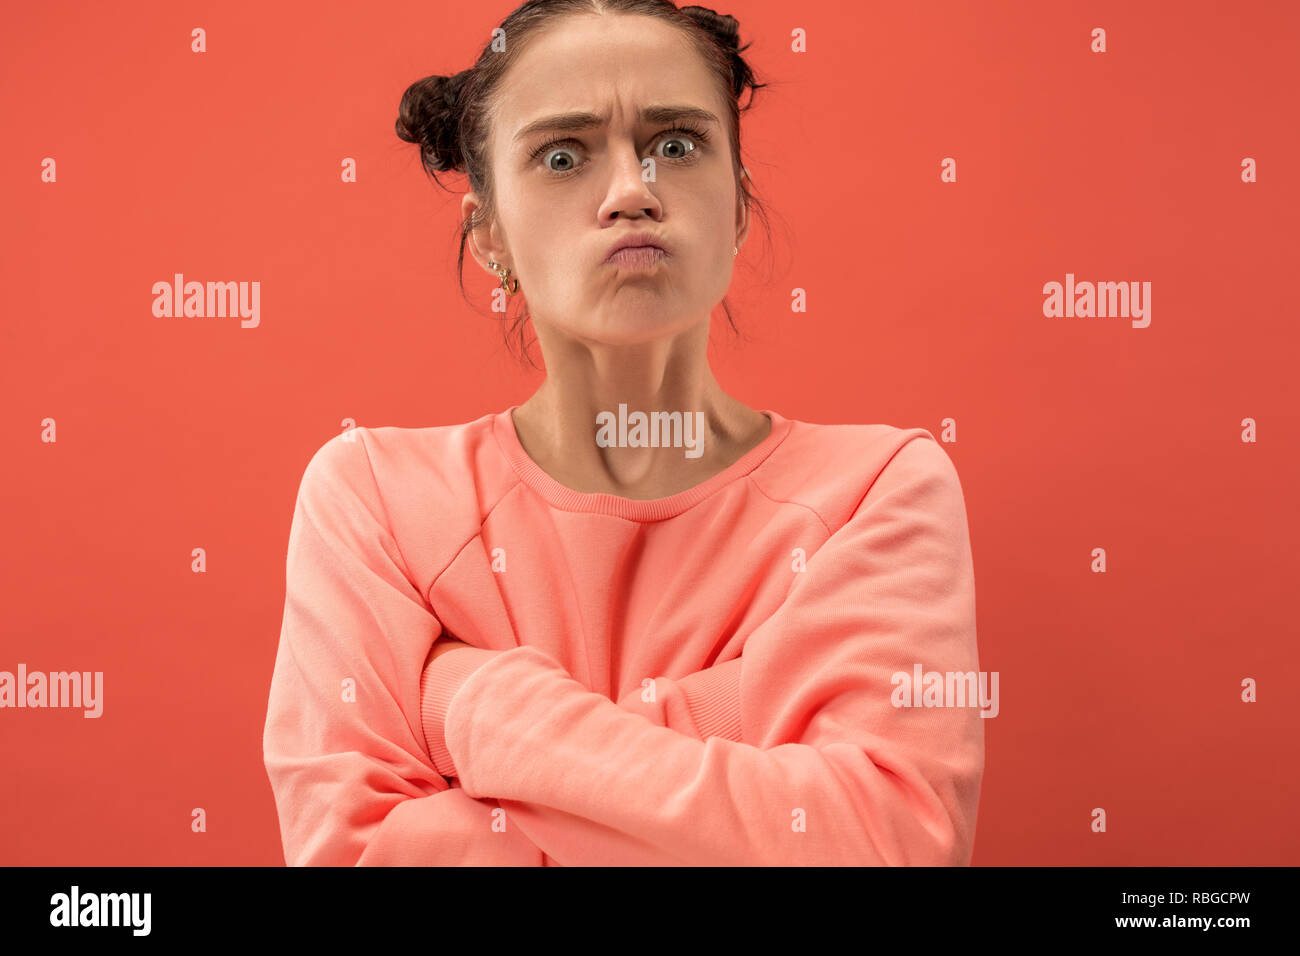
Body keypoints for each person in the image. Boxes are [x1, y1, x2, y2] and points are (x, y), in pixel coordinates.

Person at [262, 0, 985, 866]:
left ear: (739, 203)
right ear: (489, 235)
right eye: (562, 156)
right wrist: (731, 712)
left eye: (676, 144)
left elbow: (884, 844)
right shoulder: (372, 498)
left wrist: (470, 704)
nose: (632, 191)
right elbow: (353, 857)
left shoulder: (879, 490)